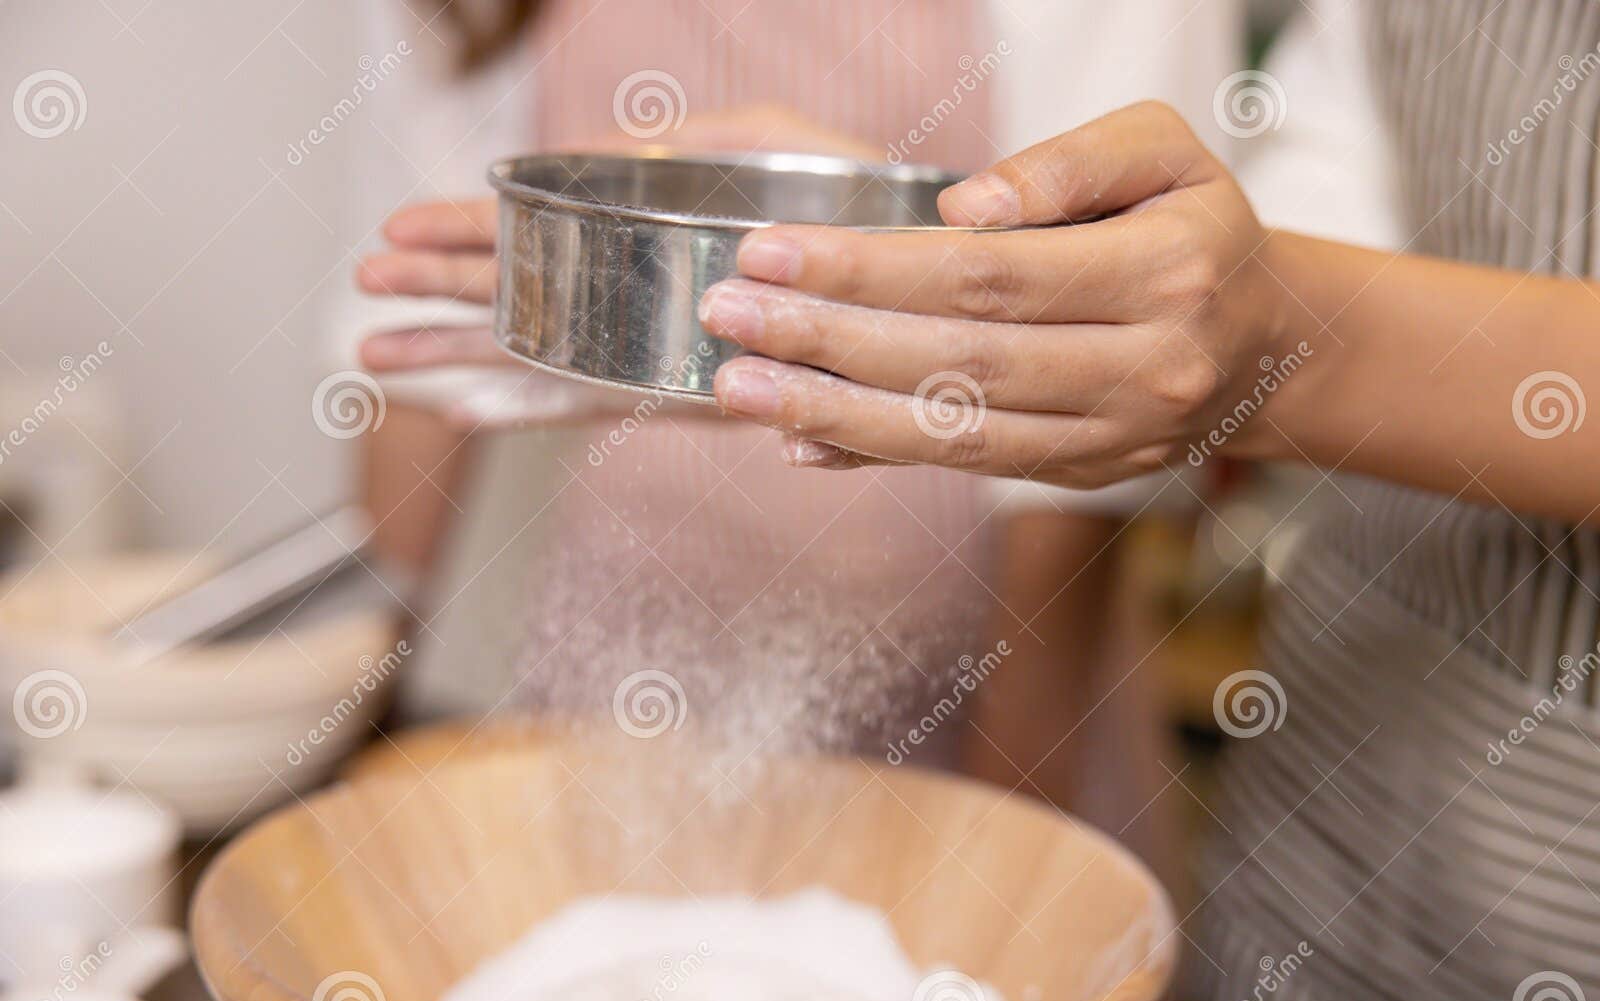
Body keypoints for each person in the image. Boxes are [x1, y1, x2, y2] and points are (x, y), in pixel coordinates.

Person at [694, 1, 1600, 1001]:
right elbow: (1347, 165)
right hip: (1321, 862)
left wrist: (1283, 342)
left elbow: (1298, 312)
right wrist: (948, 256)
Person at [348, 0, 1247, 878]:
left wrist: (1001, 840)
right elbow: (430, 328)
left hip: (988, 677)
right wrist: (352, 691)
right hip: (624, 652)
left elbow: (1090, 381)